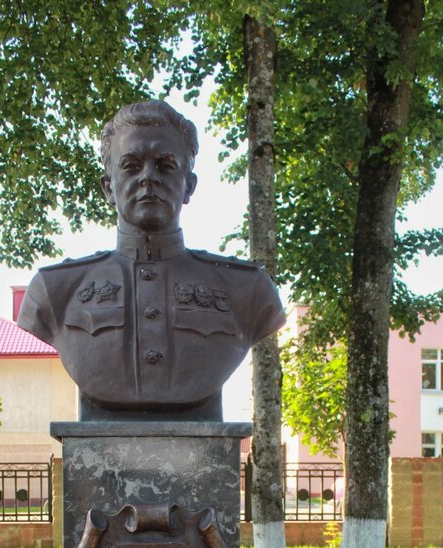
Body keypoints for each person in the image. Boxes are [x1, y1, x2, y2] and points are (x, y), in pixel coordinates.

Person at [18, 100, 285, 420]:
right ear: (108, 187)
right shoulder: (55, 290)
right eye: (131, 165)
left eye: (165, 164)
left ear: (189, 185)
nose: (148, 177)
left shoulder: (247, 291)